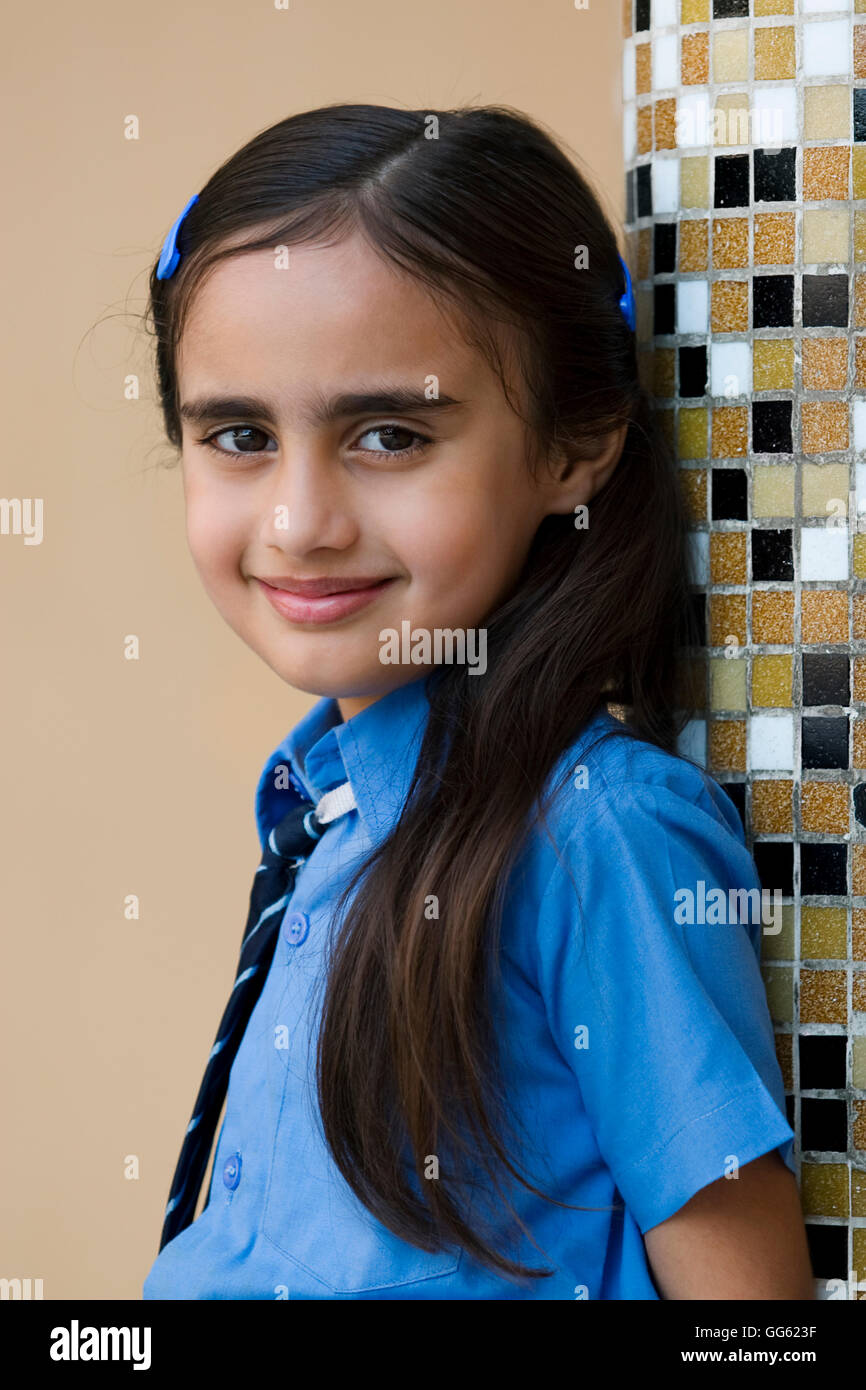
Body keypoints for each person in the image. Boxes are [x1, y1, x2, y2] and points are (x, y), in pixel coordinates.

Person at [141, 102, 813, 1300]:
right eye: (238, 434)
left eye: (390, 434)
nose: (300, 521)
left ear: (573, 441)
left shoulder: (593, 836)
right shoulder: (330, 809)